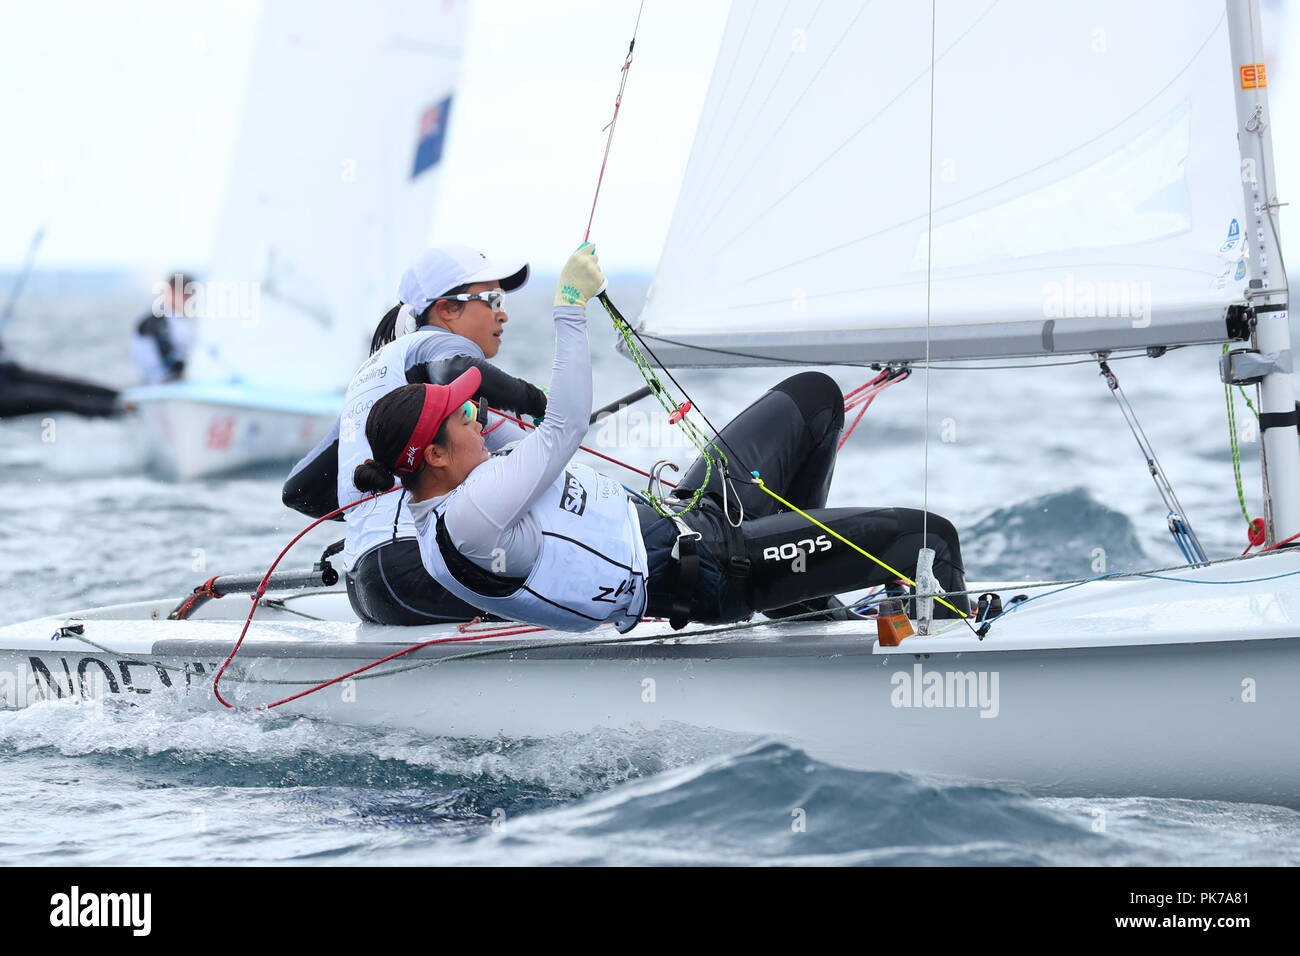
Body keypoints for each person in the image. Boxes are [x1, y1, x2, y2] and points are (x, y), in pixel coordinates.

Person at [351, 244, 970, 633]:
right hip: (716, 572)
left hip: (688, 514)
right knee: (926, 537)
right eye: (465, 420)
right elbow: (565, 424)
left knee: (813, 398)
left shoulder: (471, 483)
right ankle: (952, 647)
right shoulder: (469, 520)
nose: (478, 420)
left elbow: (526, 434)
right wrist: (569, 305)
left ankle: (799, 602)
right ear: (433, 456)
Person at [282, 244, 548, 626]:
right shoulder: (426, 346)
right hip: (413, 571)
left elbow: (299, 491)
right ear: (446, 310)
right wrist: (542, 403)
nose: (503, 313)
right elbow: (455, 367)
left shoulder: (380, 380)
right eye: (492, 299)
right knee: (579, 591)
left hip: (368, 582)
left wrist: (373, 507)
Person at [130, 272, 197, 384]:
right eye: (183, 292)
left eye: (190, 293)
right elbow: (169, 360)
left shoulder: (178, 320)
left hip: (178, 383)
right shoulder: (156, 318)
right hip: (159, 386)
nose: (187, 297)